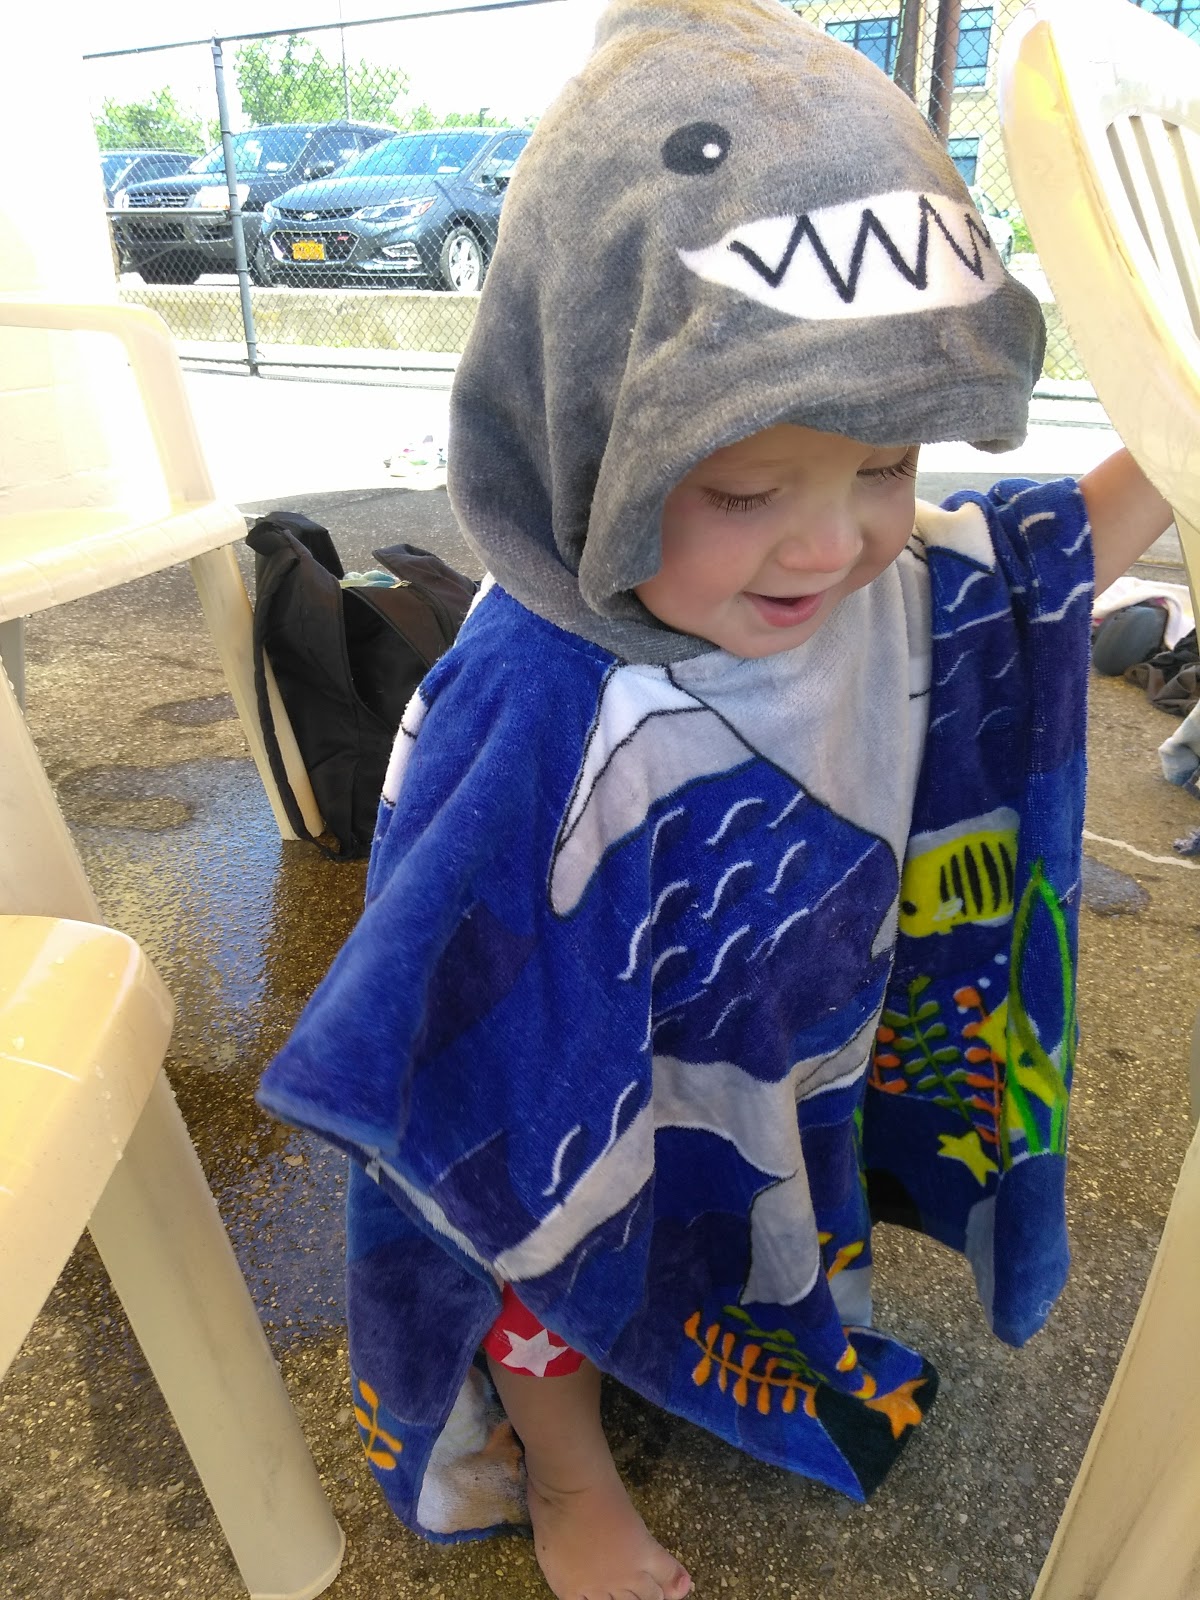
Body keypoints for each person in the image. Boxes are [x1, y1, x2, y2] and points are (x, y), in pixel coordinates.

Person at [257, 3, 1173, 1598]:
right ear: (583, 436)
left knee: (738, 1204)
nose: (836, 546)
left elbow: (1026, 575)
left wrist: (1168, 426)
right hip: (588, 1060)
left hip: (771, 1042)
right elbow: (458, 1082)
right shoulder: (532, 695)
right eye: (748, 491)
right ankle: (565, 1473)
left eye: (887, 464)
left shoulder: (855, 574)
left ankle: (717, 1317)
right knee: (539, 1210)